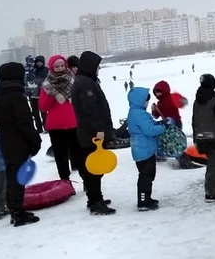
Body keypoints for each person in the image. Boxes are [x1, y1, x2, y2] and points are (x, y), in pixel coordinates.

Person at [0, 62, 43, 226]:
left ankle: (15, 210)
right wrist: (35, 140)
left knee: (12, 177)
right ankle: (18, 213)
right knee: (17, 179)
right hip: (18, 142)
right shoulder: (15, 96)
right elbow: (24, 122)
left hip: (6, 141)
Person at [71, 51, 116, 216]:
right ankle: (95, 202)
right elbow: (90, 109)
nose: (98, 69)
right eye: (97, 66)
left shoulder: (85, 80)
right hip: (92, 134)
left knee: (95, 169)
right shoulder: (84, 83)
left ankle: (95, 198)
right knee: (94, 169)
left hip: (90, 133)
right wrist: (99, 129)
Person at [38, 54, 80, 180]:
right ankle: (65, 182)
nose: (61, 68)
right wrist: (51, 93)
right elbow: (43, 107)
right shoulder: (47, 85)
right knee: (60, 157)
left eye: (62, 65)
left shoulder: (74, 80)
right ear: (52, 68)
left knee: (78, 154)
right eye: (57, 66)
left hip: (74, 123)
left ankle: (86, 182)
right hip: (56, 126)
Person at [127, 86, 167, 211]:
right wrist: (164, 126)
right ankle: (143, 201)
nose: (147, 104)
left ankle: (146, 198)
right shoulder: (139, 114)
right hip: (144, 150)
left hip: (141, 149)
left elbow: (148, 125)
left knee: (148, 175)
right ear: (140, 101)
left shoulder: (135, 112)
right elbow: (150, 130)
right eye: (146, 101)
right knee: (146, 176)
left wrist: (159, 123)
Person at [26, 55, 48, 133]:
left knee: (43, 112)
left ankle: (46, 127)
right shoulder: (32, 71)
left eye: (40, 62)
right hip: (33, 95)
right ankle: (39, 128)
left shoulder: (46, 70)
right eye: (37, 62)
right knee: (35, 113)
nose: (39, 64)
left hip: (42, 94)